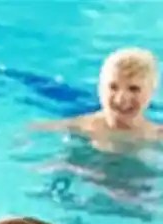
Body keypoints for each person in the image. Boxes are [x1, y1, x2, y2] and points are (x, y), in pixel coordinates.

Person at [32, 48, 161, 150]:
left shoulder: (157, 135)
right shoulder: (80, 127)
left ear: (152, 92)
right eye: (113, 87)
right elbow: (33, 130)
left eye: (134, 89)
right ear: (100, 89)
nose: (121, 98)